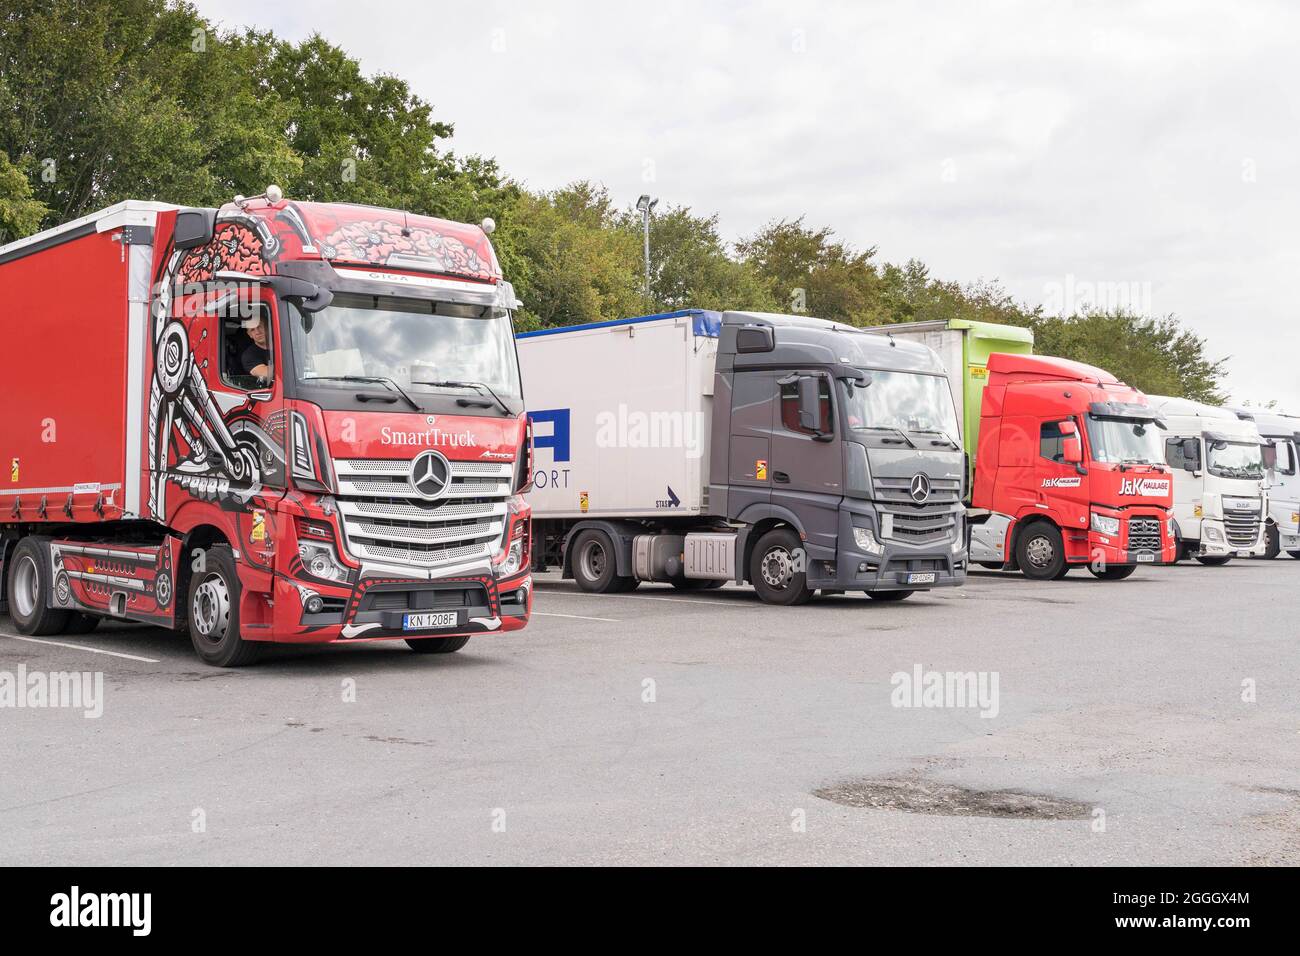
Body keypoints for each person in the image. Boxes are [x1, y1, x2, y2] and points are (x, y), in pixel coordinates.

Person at [239, 311, 272, 381]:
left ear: (267, 326)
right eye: (252, 330)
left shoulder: (282, 346)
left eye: (259, 326)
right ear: (249, 335)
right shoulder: (248, 355)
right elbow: (266, 373)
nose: (257, 332)